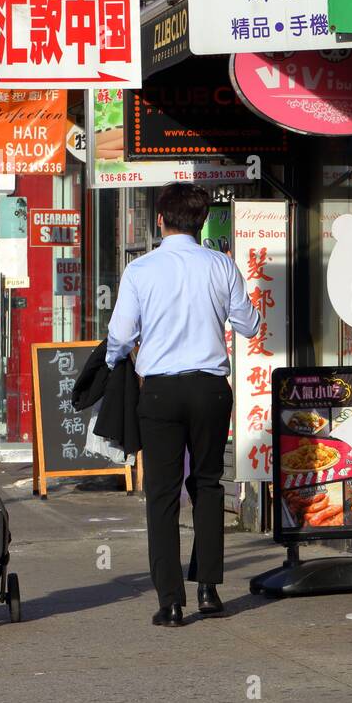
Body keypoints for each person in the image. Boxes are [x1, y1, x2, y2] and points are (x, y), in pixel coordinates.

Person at [107, 184, 261, 626]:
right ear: (202, 221)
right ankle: (209, 590)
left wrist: (117, 362)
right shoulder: (222, 265)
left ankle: (170, 601)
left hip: (159, 390)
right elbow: (248, 325)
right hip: (211, 388)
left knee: (162, 494)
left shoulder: (141, 270)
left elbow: (120, 335)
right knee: (208, 484)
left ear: (160, 220)